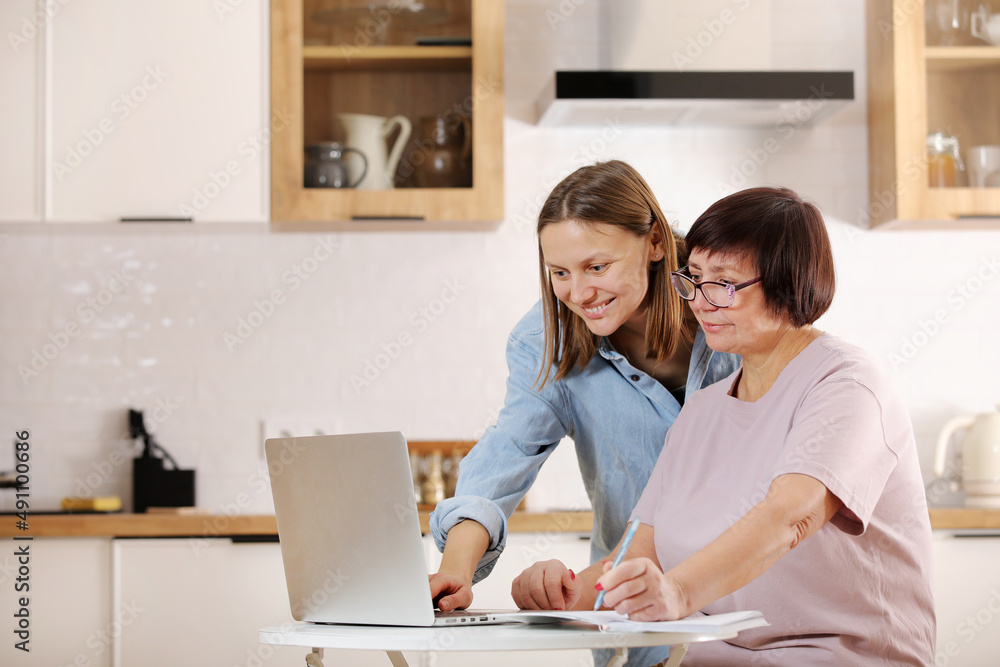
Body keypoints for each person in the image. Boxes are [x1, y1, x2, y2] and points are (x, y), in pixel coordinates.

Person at [510, 186, 936, 665]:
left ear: (789, 281)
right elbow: (635, 557)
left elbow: (789, 517)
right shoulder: (704, 410)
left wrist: (677, 592)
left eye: (724, 284)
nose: (700, 302)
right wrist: (563, 594)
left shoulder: (848, 384)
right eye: (692, 280)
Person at [428, 160, 740, 667]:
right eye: (559, 273)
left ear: (655, 242)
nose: (579, 293)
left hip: (754, 624)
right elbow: (505, 456)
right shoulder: (544, 342)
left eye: (598, 267)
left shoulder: (727, 305)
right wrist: (455, 570)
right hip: (639, 632)